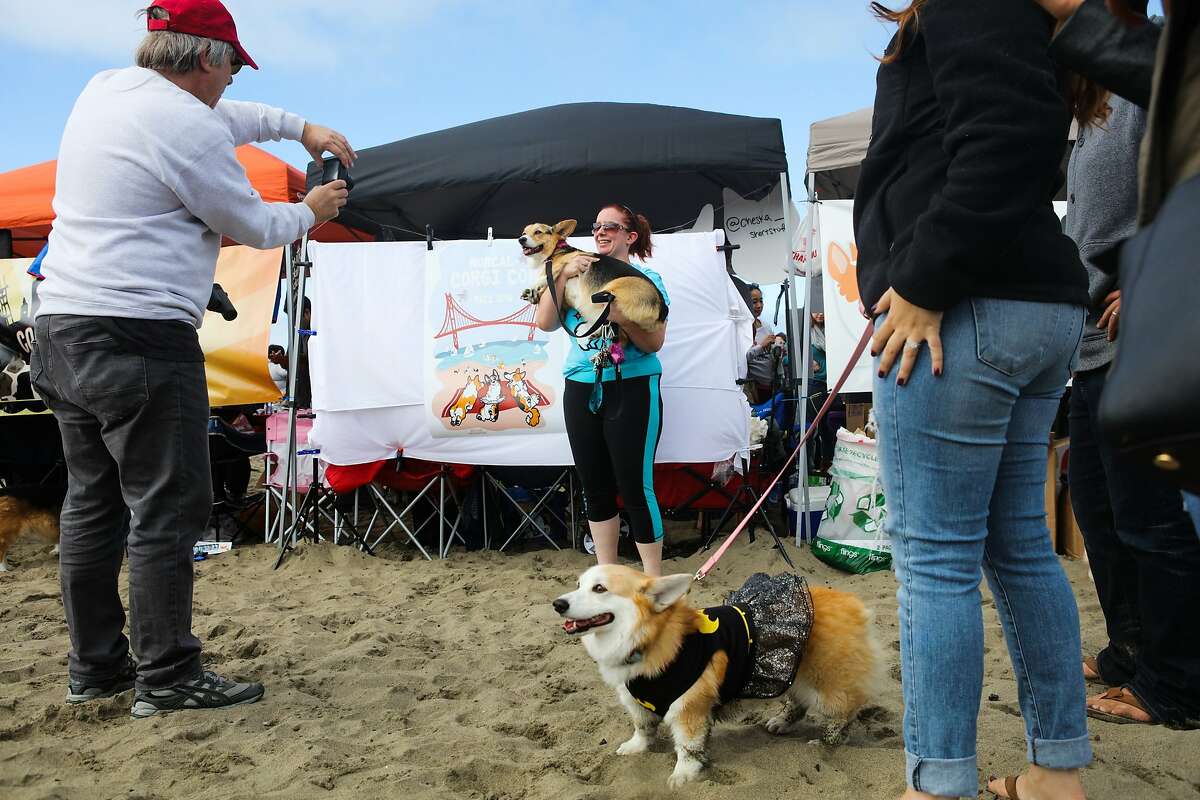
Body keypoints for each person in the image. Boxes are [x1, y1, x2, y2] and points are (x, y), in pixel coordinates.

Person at [29, 0, 354, 719]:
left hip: (62, 326)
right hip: (138, 338)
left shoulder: (107, 89)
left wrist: (298, 127)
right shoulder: (186, 126)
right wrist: (316, 209)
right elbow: (254, 224)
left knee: (92, 504)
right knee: (167, 511)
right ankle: (169, 674)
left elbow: (222, 122)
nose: (233, 80)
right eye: (232, 66)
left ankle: (96, 667)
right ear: (207, 58)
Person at [855, 3, 1091, 798]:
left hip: (962, 306)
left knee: (935, 563)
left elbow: (1008, 133)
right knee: (1020, 549)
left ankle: (940, 784)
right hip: (1027, 304)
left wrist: (921, 277)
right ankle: (1056, 775)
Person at [1038, 0, 1200, 731]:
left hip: (1144, 328)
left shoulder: (1150, 73)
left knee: (1150, 521)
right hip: (1093, 344)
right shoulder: (1091, 104)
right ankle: (1130, 651)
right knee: (1101, 515)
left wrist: (1149, 279)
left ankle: (1177, 682)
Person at [533, 204, 669, 577]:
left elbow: (654, 341)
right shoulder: (573, 266)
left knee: (635, 486)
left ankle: (652, 580)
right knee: (594, 485)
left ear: (630, 236)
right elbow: (544, 322)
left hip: (633, 385)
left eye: (611, 226)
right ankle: (606, 577)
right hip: (580, 385)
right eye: (596, 227)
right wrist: (561, 275)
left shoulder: (646, 277)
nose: (600, 232)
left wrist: (620, 314)